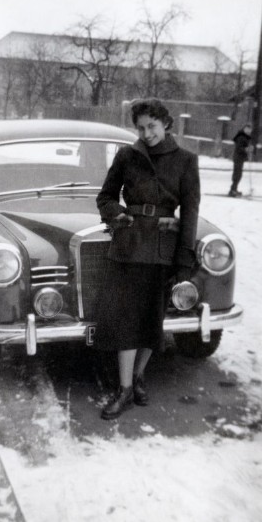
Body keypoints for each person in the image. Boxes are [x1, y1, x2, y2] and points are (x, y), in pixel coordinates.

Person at [93, 98, 199, 420]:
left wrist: (184, 262)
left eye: (152, 126)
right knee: (126, 321)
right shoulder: (127, 156)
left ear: (165, 123)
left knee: (153, 321)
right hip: (129, 246)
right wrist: (117, 213)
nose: (146, 133)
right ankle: (125, 389)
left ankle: (138, 377)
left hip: (163, 250)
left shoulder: (186, 160)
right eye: (140, 128)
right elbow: (105, 197)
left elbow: (190, 214)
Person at [230, 123, 254, 197]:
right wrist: (246, 149)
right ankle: (233, 190)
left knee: (238, 174)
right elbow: (239, 148)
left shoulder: (245, 137)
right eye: (248, 129)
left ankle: (234, 189)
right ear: (245, 129)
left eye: (250, 130)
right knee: (237, 174)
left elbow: (245, 146)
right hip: (238, 157)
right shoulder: (241, 137)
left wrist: (249, 149)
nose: (249, 131)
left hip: (240, 158)